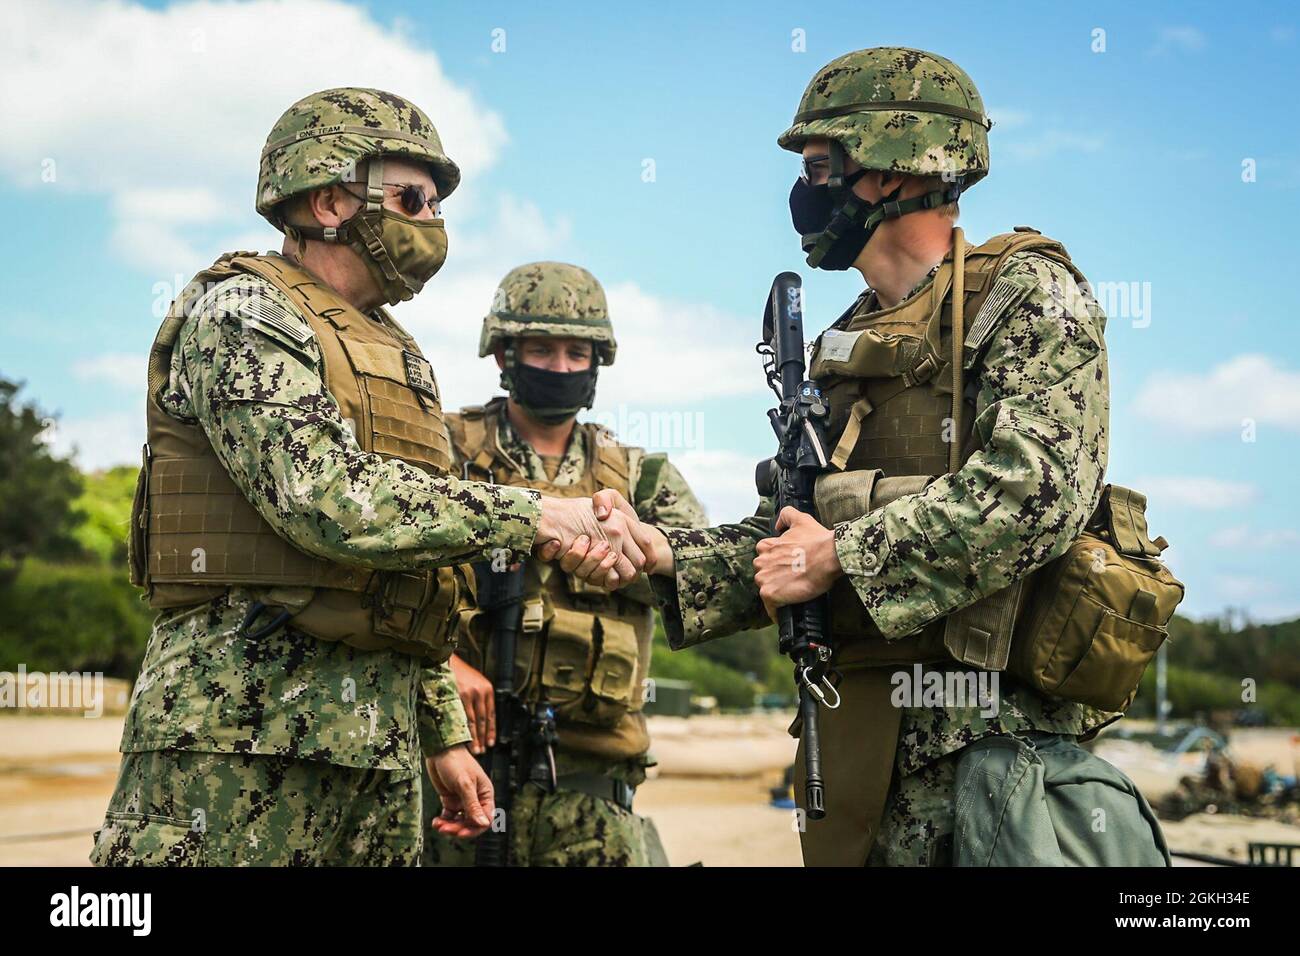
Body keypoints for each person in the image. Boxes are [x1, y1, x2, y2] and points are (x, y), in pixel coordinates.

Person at [574, 48, 1170, 866]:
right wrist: (665, 556)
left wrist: (841, 556)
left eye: (821, 168)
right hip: (859, 754)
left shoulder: (1027, 293)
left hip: (991, 756)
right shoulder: (844, 343)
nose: (805, 192)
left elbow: (1036, 491)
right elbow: (791, 540)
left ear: (892, 169)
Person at [91, 88, 650, 866]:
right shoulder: (245, 312)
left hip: (375, 752)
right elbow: (326, 499)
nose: (433, 224)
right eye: (413, 199)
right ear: (328, 202)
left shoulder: (395, 350)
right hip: (236, 740)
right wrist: (537, 514)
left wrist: (442, 734)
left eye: (438, 206)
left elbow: (415, 576)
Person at [421, 261, 708, 866]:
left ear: (597, 361)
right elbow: (372, 572)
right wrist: (440, 665)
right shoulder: (442, 450)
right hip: (453, 772)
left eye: (577, 353)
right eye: (541, 350)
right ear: (504, 354)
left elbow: (705, 573)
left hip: (589, 786)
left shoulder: (639, 477)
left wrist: (628, 553)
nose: (559, 368)